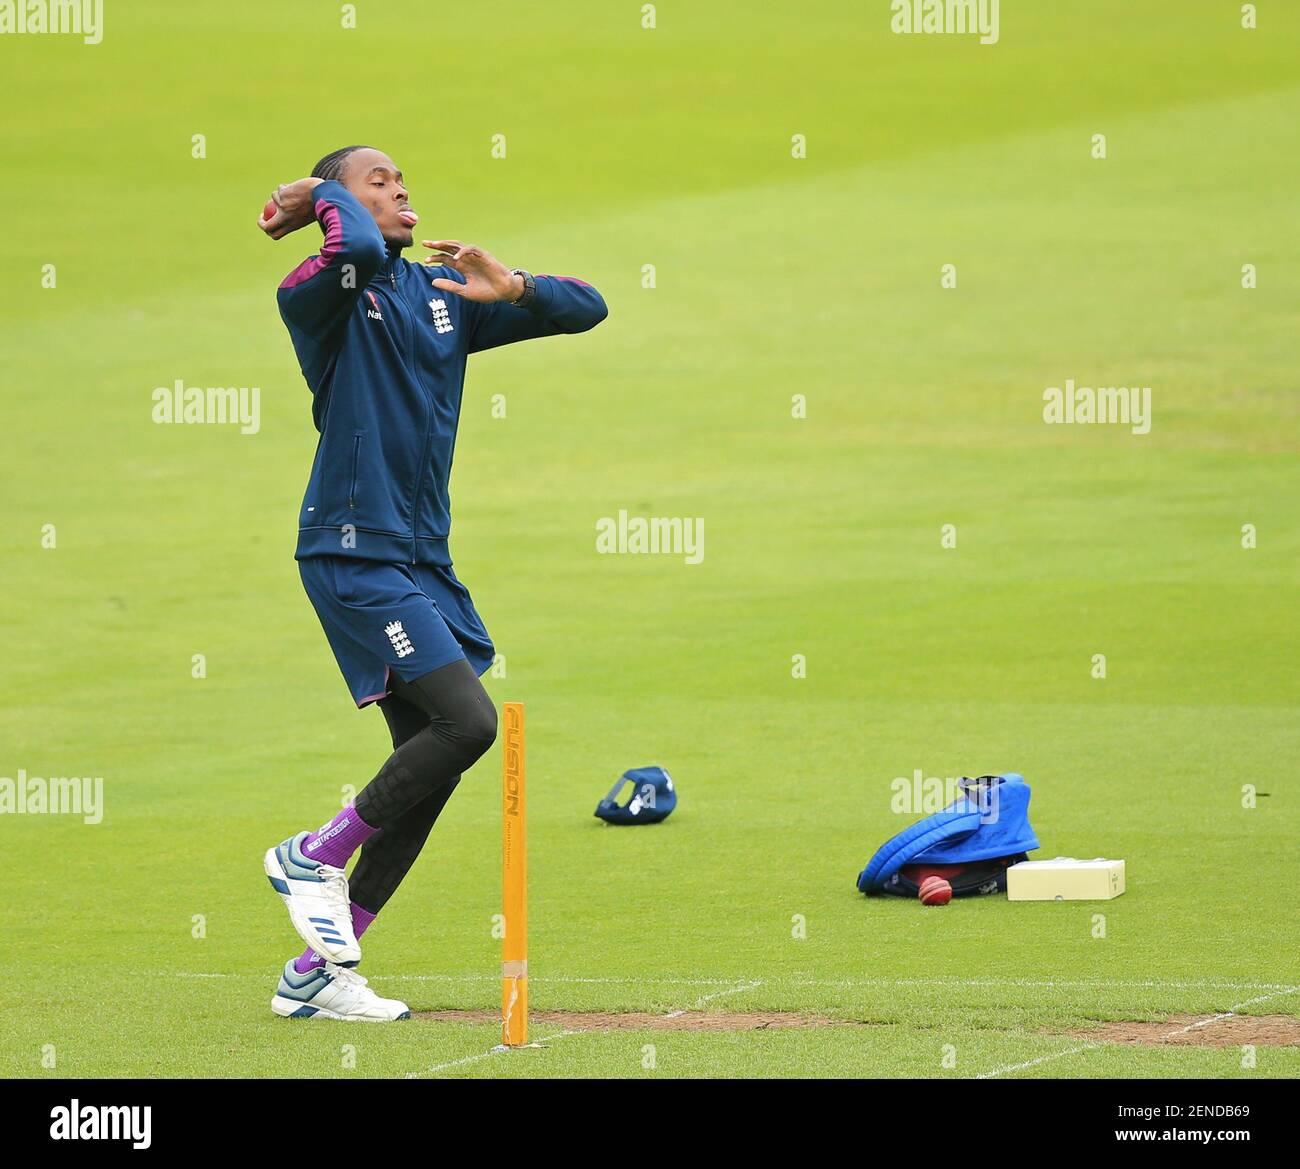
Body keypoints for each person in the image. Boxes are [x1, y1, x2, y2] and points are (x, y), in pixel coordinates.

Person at [256, 146, 607, 1021]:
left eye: (403, 179)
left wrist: (515, 287)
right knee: (470, 721)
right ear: (337, 199)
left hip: (421, 562)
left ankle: (316, 974)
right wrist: (324, 198)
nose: (400, 189)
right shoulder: (318, 291)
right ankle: (311, 854)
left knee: (434, 765)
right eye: (378, 179)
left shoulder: (439, 299)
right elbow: (358, 255)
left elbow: (589, 308)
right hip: (353, 551)